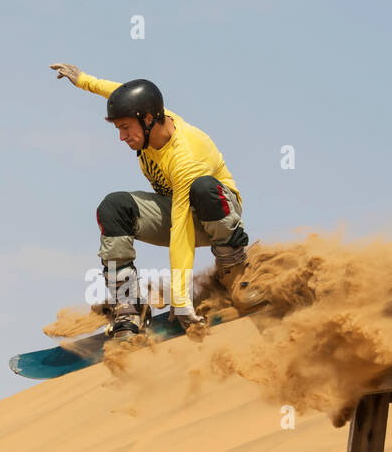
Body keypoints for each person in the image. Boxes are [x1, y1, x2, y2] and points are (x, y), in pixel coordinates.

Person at [50, 63, 265, 340]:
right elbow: (117, 91)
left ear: (149, 119)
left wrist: (180, 297)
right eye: (118, 128)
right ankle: (129, 306)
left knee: (203, 188)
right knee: (114, 206)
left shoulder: (186, 155)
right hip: (175, 208)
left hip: (217, 212)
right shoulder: (149, 122)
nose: (122, 137)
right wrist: (83, 80)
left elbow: (182, 229)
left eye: (125, 128)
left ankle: (234, 273)